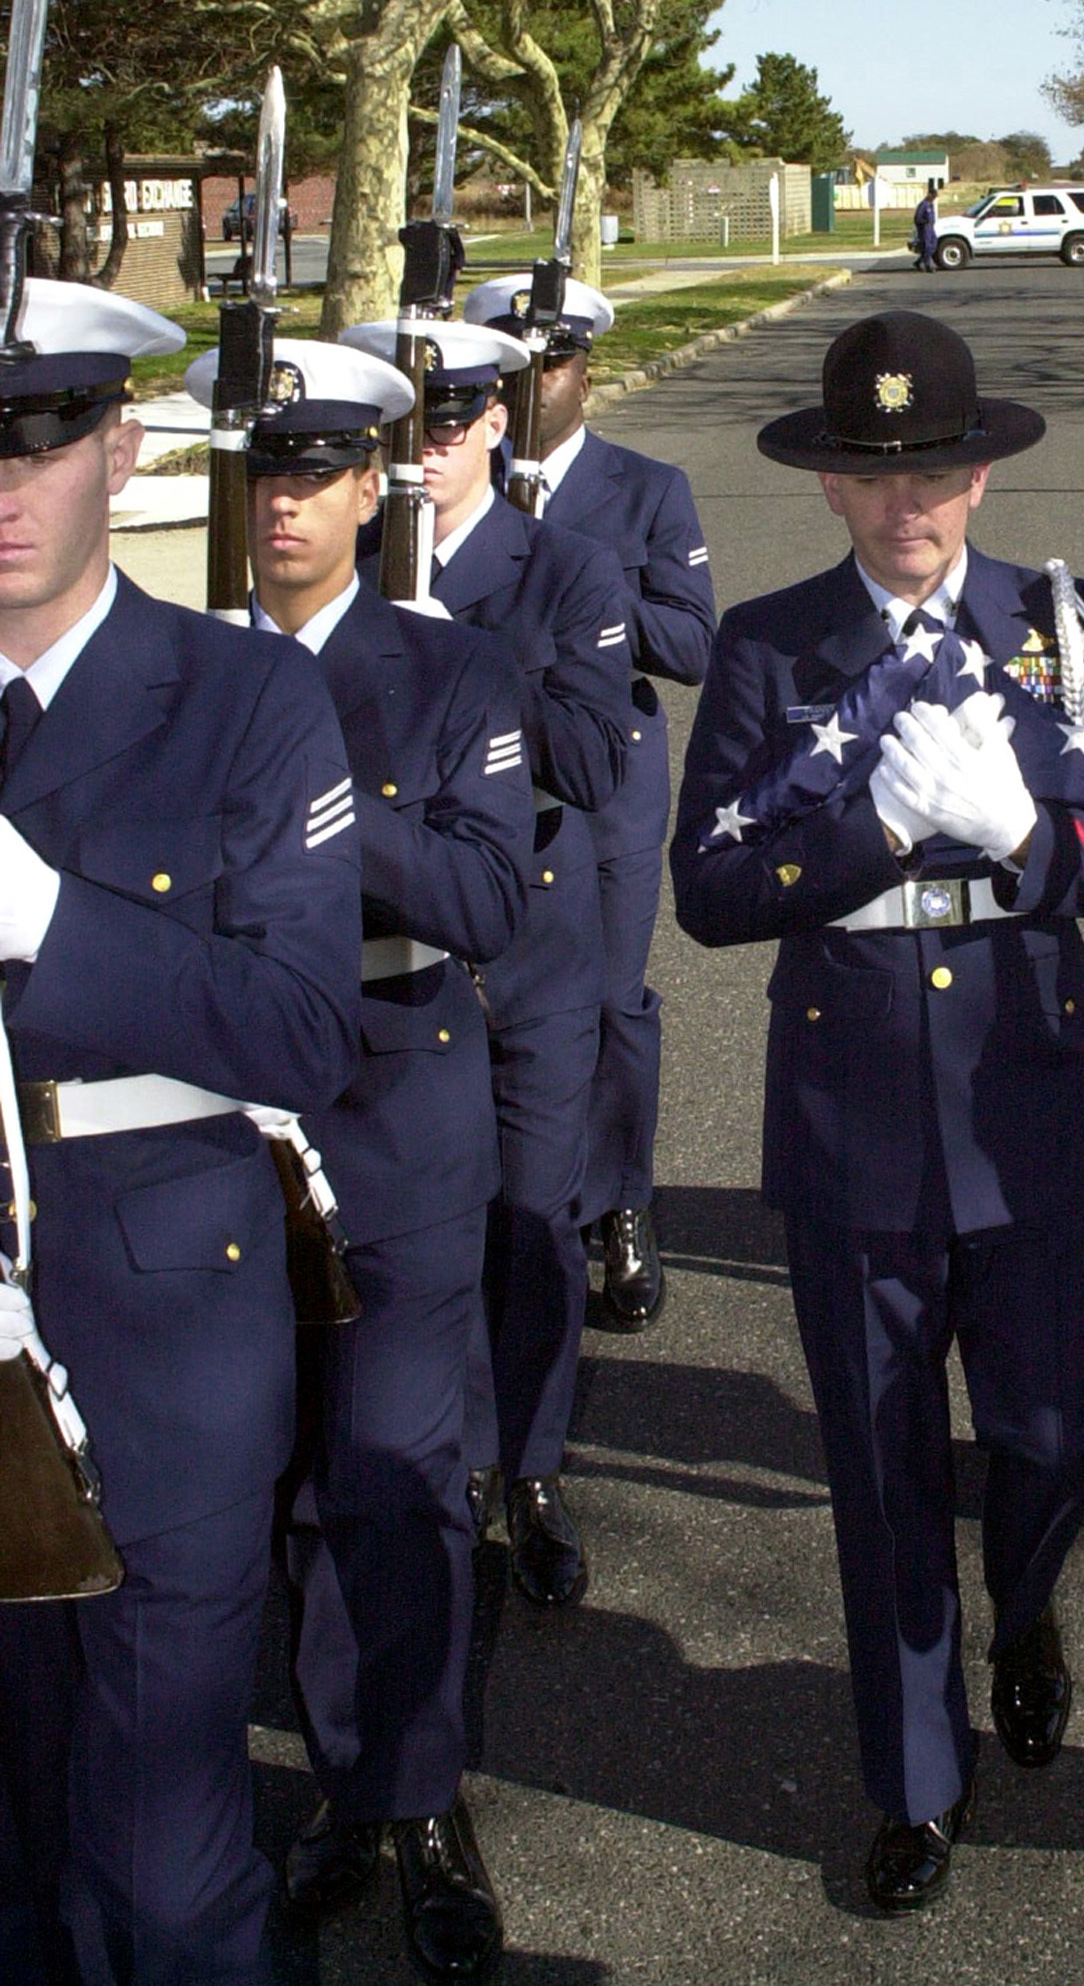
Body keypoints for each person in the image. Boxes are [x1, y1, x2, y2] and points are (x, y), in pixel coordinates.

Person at [671, 309, 1084, 1913]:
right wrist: (873, 841)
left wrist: (1026, 836)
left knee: (1053, 1431)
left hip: (1027, 1098)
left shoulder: (1062, 619)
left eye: (939, 472)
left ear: (981, 474)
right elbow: (705, 890)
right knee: (883, 1460)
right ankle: (913, 1774)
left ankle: (1024, 1598)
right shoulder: (769, 648)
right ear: (828, 488)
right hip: (854, 1109)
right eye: (873, 476)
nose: (910, 506)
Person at [0, 281, 363, 1983]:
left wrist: (45, 921)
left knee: (160, 1859)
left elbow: (305, 1026)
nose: (6, 485)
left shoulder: (242, 699)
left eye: (44, 435)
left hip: (156, 1309)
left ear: (118, 446)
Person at [186, 334, 533, 1979]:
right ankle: (343, 1792)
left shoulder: (448, 673)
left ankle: (418, 1803)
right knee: (283, 1489)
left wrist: (312, 786)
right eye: (263, 472)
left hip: (398, 1096)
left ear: (375, 482)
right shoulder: (174, 665)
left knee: (393, 1476)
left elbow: (481, 901)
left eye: (314, 473)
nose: (283, 506)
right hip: (229, 1108)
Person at [343, 316, 633, 1608]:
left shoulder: (561, 571)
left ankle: (530, 1467)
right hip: (394, 967)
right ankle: (443, 1473)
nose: (431, 450)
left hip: (531, 951)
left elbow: (594, 760)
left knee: (530, 1226)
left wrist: (458, 652)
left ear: (495, 427)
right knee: (418, 1246)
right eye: (409, 431)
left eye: (453, 424)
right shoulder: (334, 576)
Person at [464, 273, 716, 1331]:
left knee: (608, 1003)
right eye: (514, 367)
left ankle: (619, 1202)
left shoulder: (643, 488)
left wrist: (581, 572)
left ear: (584, 372)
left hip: (603, 788)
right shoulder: (436, 484)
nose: (535, 384)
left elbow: (695, 644)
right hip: (471, 790)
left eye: (554, 363)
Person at [914, 178, 940, 272]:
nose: (934, 198)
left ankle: (920, 261)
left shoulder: (930, 205)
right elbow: (917, 218)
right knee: (927, 247)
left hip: (931, 228)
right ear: (929, 194)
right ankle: (928, 265)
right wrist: (924, 223)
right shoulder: (923, 205)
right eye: (933, 196)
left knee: (933, 245)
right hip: (925, 229)